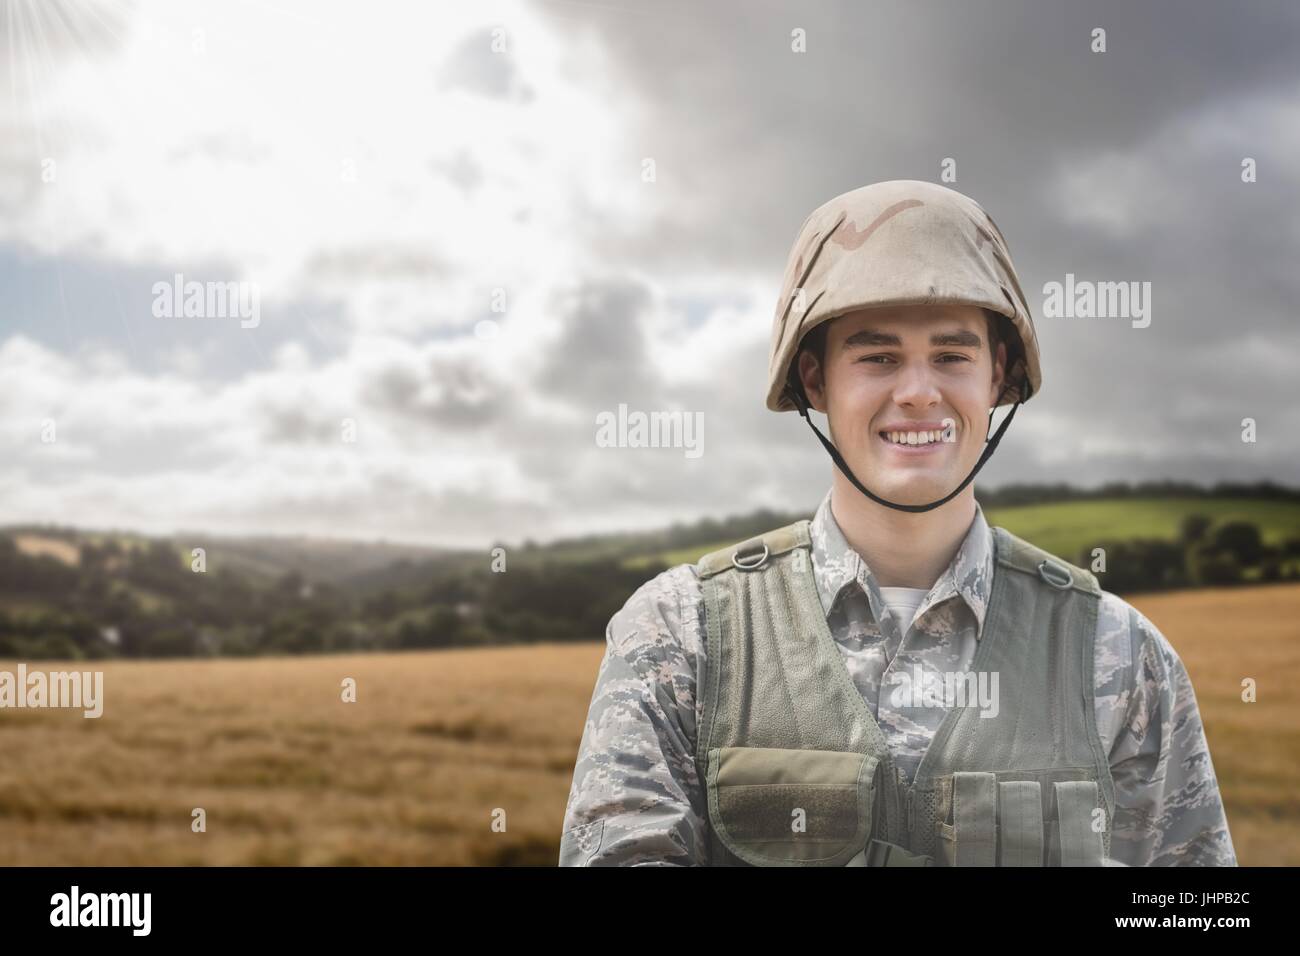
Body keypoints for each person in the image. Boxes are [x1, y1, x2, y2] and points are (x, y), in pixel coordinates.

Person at [558, 180, 1237, 866]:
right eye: (877, 356)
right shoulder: (683, 636)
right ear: (815, 380)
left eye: (951, 355)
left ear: (997, 376)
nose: (917, 391)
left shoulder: (1116, 655)